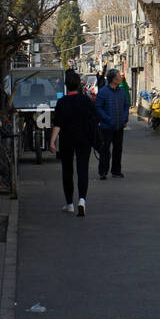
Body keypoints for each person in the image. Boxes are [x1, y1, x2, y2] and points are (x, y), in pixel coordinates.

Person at [49, 70, 101, 217]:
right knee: (82, 169)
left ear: (66, 85)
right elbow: (95, 118)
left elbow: (57, 124)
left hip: (67, 140)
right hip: (84, 140)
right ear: (79, 85)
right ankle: (82, 200)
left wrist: (52, 141)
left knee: (67, 171)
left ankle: (69, 204)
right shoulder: (86, 101)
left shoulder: (62, 102)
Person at [95, 69, 130, 179]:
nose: (121, 78)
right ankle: (103, 171)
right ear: (113, 79)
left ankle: (116, 171)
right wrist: (107, 119)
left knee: (118, 149)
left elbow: (126, 106)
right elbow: (98, 107)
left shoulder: (122, 91)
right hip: (106, 126)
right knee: (104, 150)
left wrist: (125, 119)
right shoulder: (103, 92)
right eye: (119, 77)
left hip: (119, 126)